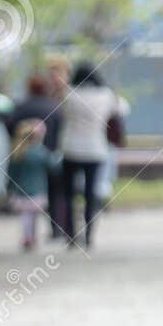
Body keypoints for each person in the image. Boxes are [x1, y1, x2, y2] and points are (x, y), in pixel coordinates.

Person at [58, 63, 126, 248]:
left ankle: (70, 235)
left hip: (71, 148)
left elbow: (61, 114)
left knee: (69, 194)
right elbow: (121, 110)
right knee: (90, 193)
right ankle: (89, 234)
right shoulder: (106, 95)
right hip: (96, 149)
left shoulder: (69, 94)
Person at [6, 110, 50, 251]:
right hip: (37, 190)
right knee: (34, 216)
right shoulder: (41, 152)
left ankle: (27, 237)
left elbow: (11, 174)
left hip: (21, 191)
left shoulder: (18, 153)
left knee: (25, 216)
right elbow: (53, 166)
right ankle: (33, 236)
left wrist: (9, 188)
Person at [43, 56, 71, 237]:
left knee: (65, 190)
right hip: (50, 147)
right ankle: (55, 228)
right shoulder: (47, 98)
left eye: (58, 74)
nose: (54, 79)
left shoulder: (70, 96)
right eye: (52, 75)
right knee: (52, 190)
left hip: (67, 147)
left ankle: (66, 226)